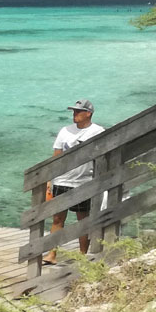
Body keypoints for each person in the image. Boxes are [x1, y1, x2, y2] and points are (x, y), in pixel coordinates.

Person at [44, 99, 106, 264]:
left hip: (83, 182)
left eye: (78, 111)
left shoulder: (98, 131)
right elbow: (56, 156)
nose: (75, 114)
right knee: (57, 219)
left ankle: (82, 254)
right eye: (73, 111)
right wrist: (50, 180)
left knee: (83, 219)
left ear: (88, 113)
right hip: (62, 180)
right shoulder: (65, 131)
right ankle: (52, 254)